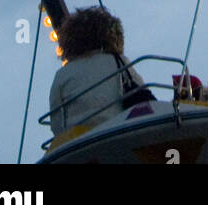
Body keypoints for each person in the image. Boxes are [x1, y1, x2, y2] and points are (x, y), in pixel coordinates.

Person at [48, 7, 148, 138]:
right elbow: (142, 97)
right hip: (118, 130)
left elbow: (57, 124)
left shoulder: (62, 74)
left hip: (77, 141)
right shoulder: (117, 61)